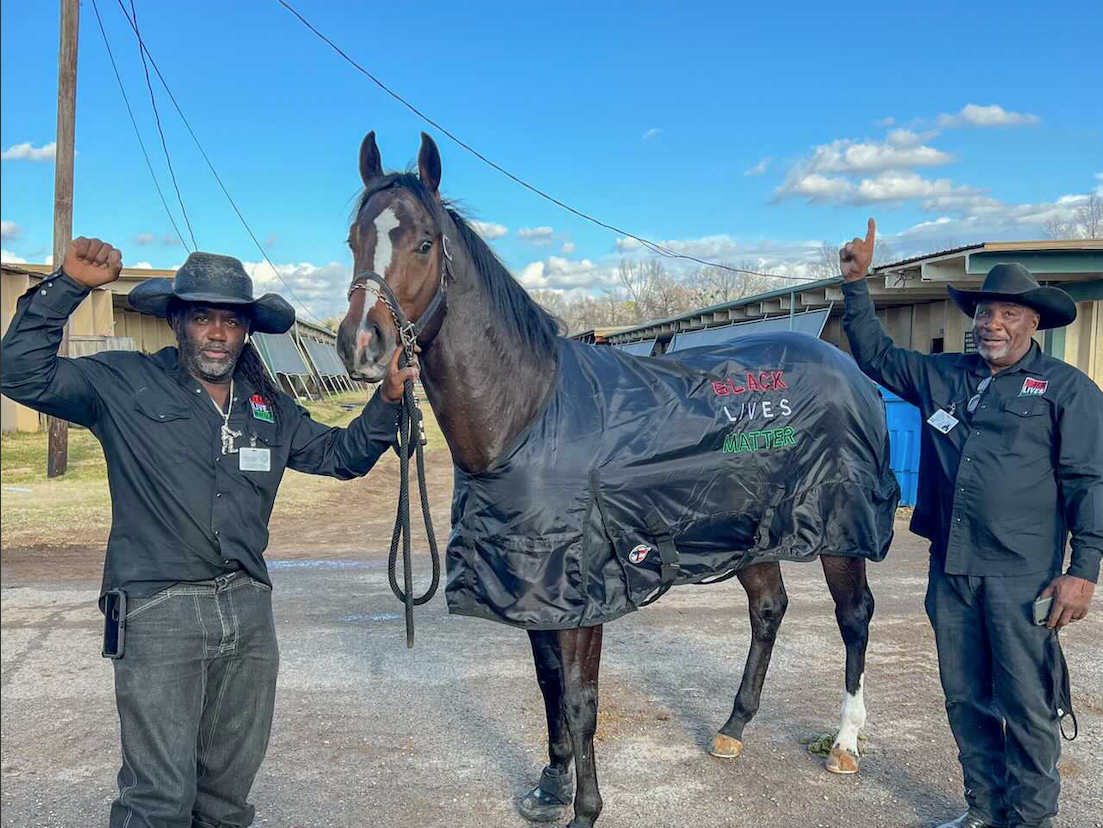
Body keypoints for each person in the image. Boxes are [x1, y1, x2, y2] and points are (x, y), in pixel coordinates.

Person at [0, 238, 417, 828]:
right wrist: (67, 286)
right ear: (178, 321)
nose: (217, 333)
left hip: (247, 609)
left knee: (226, 799)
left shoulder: (265, 404)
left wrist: (389, 399)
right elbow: (18, 372)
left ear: (247, 330)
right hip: (158, 609)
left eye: (231, 320)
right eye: (202, 317)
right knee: (159, 800)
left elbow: (340, 456)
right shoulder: (121, 384)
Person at [838, 220, 1102, 828]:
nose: (993, 324)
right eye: (985, 313)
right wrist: (857, 285)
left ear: (1034, 323)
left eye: (1008, 313)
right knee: (964, 697)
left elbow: (1091, 482)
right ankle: (985, 809)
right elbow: (875, 354)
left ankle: (1030, 818)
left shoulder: (1066, 390)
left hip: (1024, 576)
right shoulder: (945, 377)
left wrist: (1082, 570)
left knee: (1027, 703)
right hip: (950, 571)